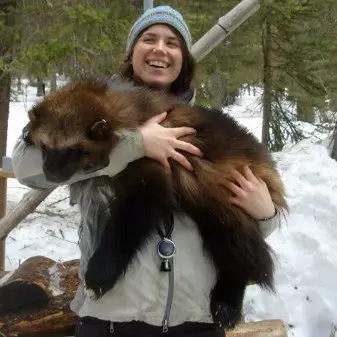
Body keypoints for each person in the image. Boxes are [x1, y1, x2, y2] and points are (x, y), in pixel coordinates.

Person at [12, 6, 281, 337]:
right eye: (148, 38)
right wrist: (137, 145)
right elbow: (27, 167)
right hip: (111, 320)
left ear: (184, 58)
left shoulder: (206, 127)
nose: (159, 49)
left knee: (215, 221)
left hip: (194, 322)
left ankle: (232, 284)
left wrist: (265, 213)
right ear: (131, 52)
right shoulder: (76, 112)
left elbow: (243, 212)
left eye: (172, 42)